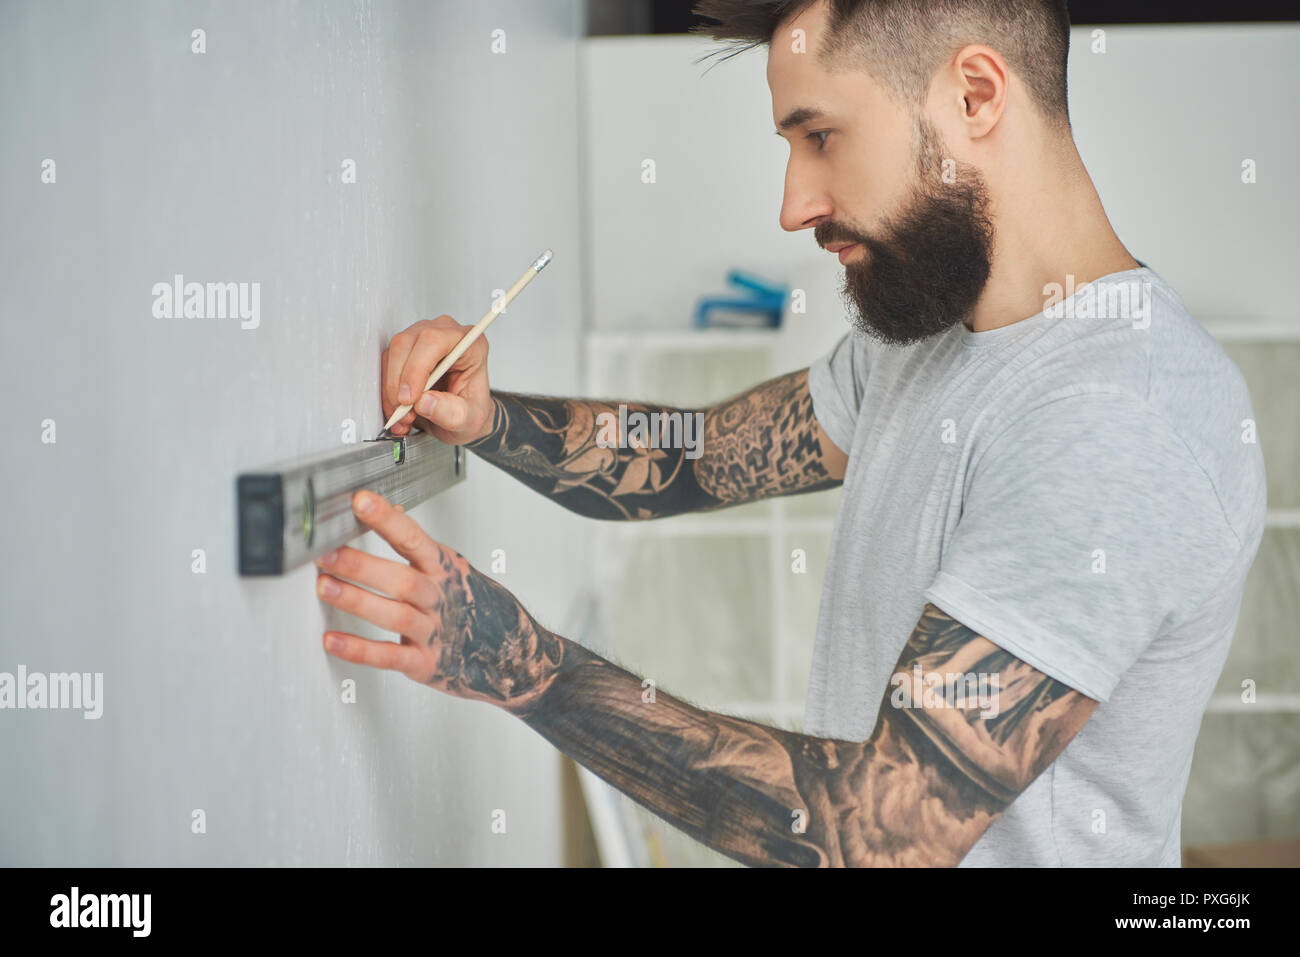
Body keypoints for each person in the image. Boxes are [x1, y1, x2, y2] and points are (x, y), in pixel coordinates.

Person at [315, 0, 1266, 866]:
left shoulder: (1118, 415)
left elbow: (884, 831)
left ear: (976, 94)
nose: (793, 203)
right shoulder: (933, 334)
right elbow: (702, 451)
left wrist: (523, 664)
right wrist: (484, 418)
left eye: (821, 135)